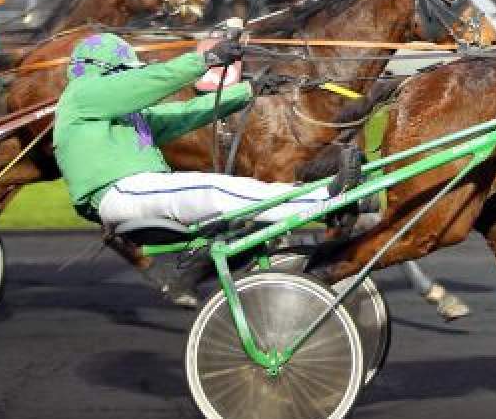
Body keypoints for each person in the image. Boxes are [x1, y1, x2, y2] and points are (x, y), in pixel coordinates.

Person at [53, 32, 368, 301]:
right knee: (212, 188)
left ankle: (322, 200)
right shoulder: (80, 96)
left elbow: (187, 112)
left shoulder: (125, 118)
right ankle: (325, 200)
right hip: (118, 194)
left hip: (139, 193)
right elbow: (148, 82)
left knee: (220, 193)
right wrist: (204, 61)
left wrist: (248, 91)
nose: (128, 78)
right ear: (107, 71)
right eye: (125, 72)